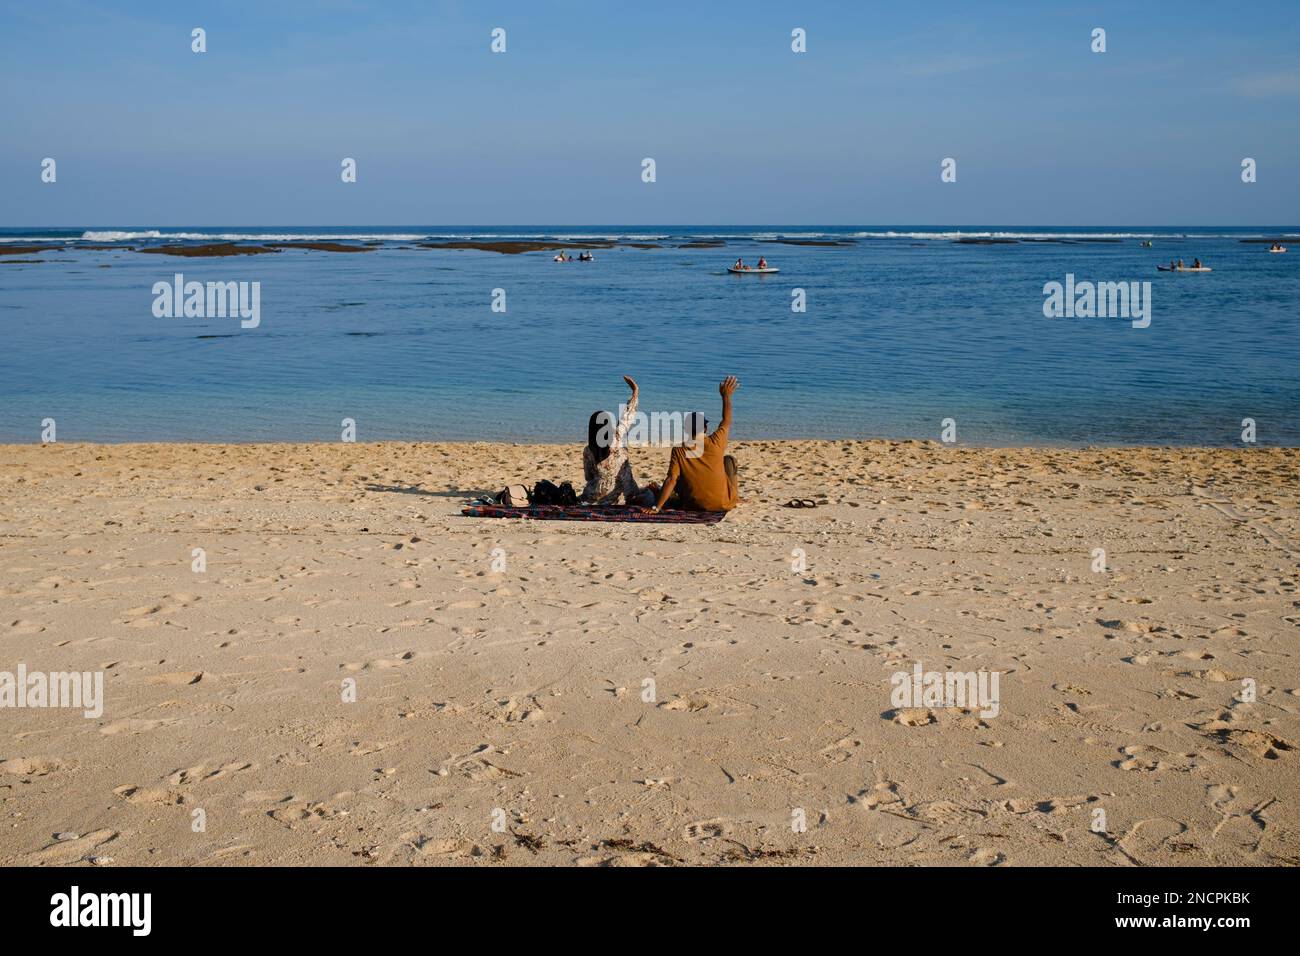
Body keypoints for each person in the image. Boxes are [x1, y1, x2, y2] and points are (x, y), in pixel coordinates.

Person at [647, 376, 740, 514]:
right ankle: (735, 497)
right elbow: (726, 420)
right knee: (729, 461)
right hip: (724, 503)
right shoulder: (716, 441)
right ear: (706, 428)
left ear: (687, 430)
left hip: (693, 505)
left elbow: (671, 480)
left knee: (678, 474)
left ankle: (666, 496)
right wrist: (726, 396)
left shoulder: (679, 450)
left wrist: (656, 507)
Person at [582, 375, 653, 506]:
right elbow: (627, 417)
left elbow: (588, 477)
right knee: (650, 493)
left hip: (593, 495)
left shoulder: (588, 450)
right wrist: (635, 392)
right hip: (620, 496)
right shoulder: (616, 439)